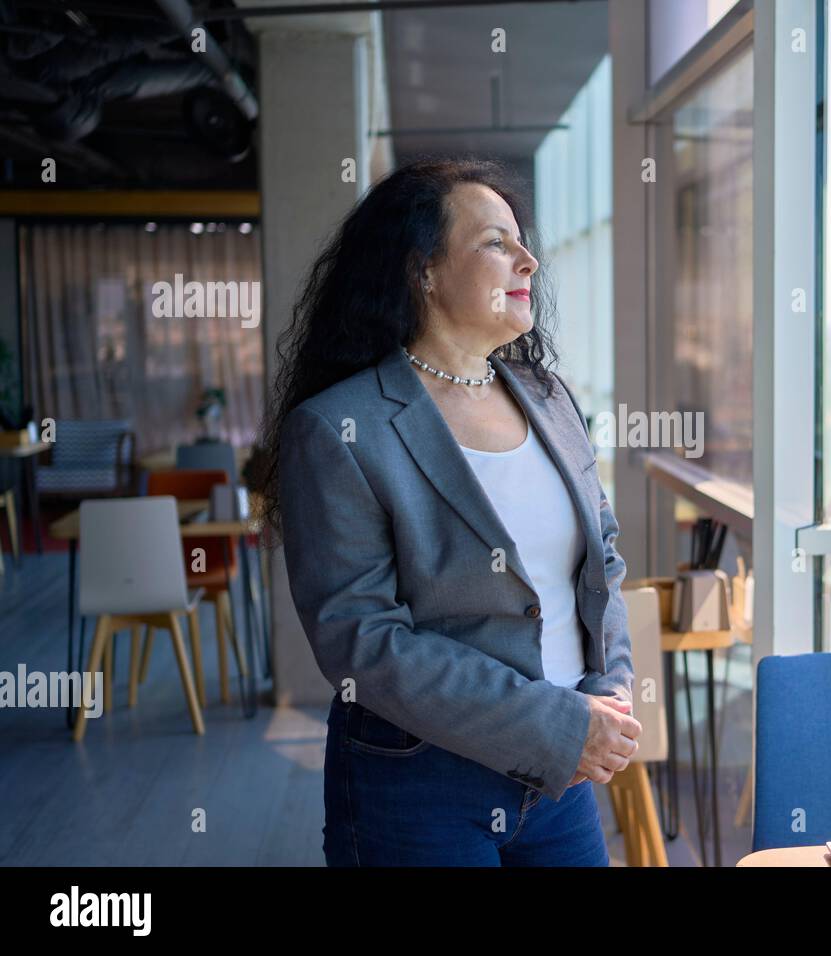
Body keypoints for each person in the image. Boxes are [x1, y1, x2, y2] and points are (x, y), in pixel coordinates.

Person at [253, 157, 641, 866]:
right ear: (421, 271)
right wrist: (556, 724)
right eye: (495, 242)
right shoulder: (340, 427)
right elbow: (362, 642)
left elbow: (604, 560)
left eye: (521, 241)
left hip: (563, 779)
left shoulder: (550, 397)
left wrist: (607, 697)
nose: (527, 258)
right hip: (417, 785)